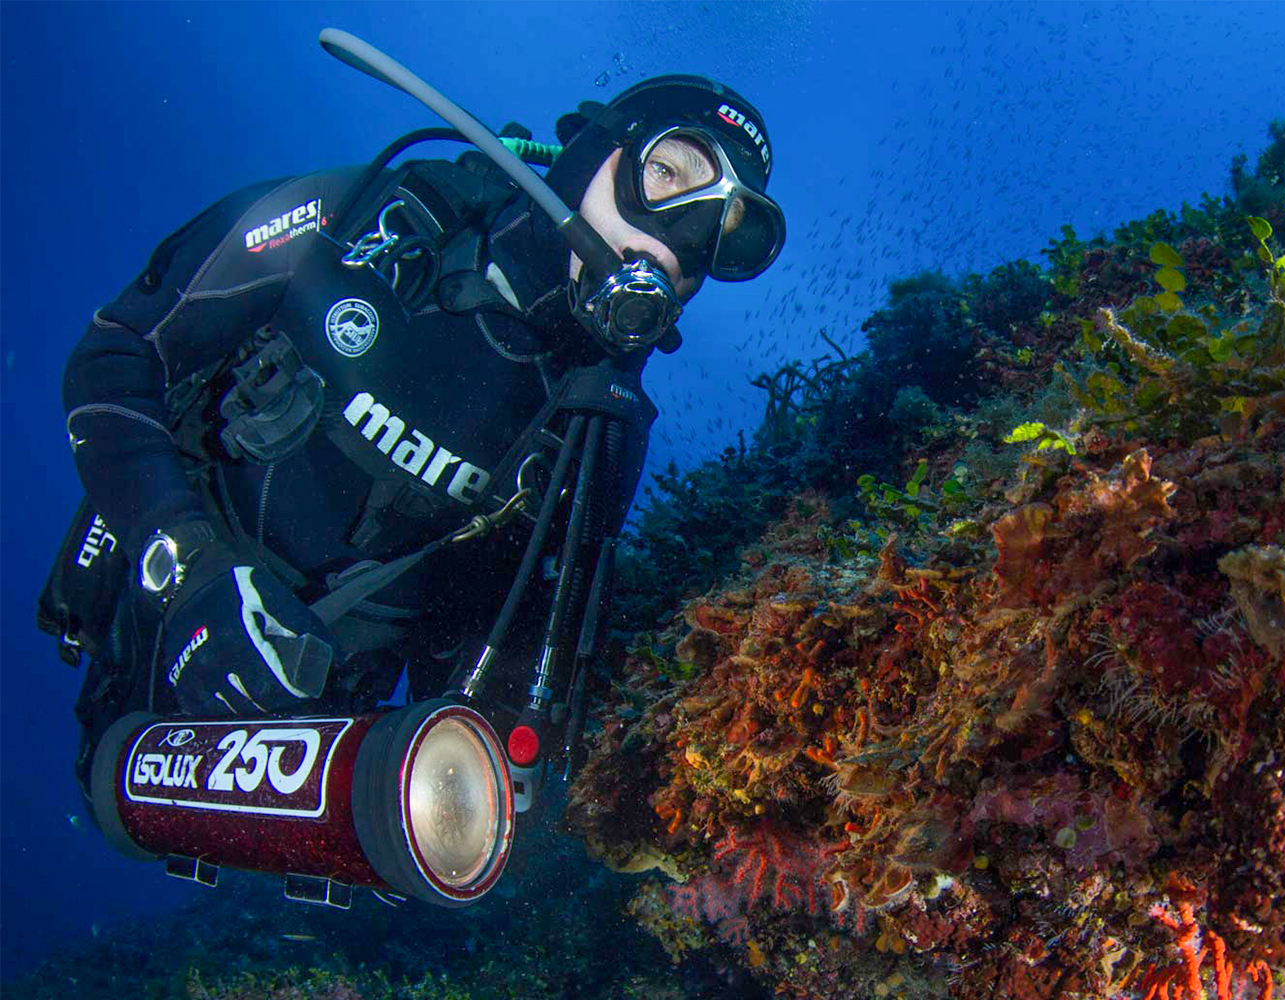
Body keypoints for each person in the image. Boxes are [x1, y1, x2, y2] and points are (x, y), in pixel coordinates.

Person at [48, 74, 784, 794]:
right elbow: (121, 351)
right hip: (168, 593)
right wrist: (187, 565)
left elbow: (504, 644)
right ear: (594, 155)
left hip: (320, 735)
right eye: (668, 173)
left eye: (724, 232)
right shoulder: (362, 219)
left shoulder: (598, 430)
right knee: (105, 764)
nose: (680, 244)